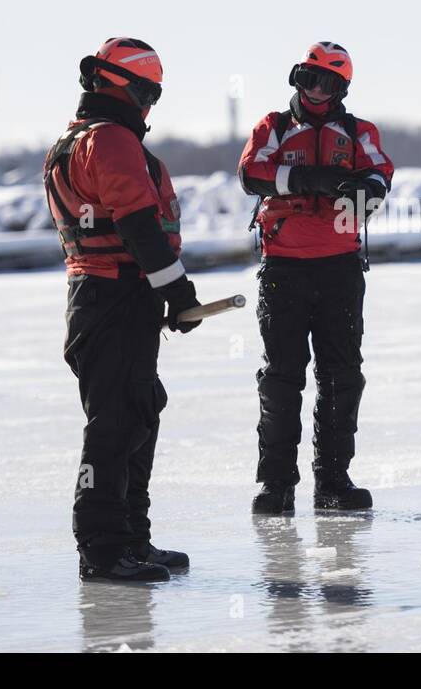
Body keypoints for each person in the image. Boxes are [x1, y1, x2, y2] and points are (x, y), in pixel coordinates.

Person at [44, 37, 202, 582]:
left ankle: (132, 537)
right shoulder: (110, 141)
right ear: (132, 90)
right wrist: (179, 292)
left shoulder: (76, 139)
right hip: (112, 295)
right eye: (150, 94)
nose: (151, 108)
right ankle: (103, 548)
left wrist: (161, 291)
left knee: (138, 411)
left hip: (112, 296)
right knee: (113, 422)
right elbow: (138, 226)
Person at [238, 42, 394, 515]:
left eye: (327, 82)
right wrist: (310, 181)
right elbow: (251, 173)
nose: (316, 90)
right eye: (309, 78)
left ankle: (333, 482)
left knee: (341, 377)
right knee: (282, 378)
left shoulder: (359, 131)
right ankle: (276, 485)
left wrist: (361, 189)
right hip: (284, 269)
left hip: (339, 270)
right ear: (296, 79)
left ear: (342, 89)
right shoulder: (274, 127)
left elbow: (381, 175)